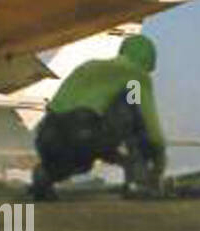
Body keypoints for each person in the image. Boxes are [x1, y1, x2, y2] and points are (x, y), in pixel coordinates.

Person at [30, 34, 166, 200]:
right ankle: (139, 181)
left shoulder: (89, 66)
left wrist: (118, 157)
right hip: (84, 132)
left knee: (81, 161)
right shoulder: (135, 76)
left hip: (46, 135)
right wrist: (159, 164)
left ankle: (46, 174)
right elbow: (151, 129)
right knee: (133, 109)